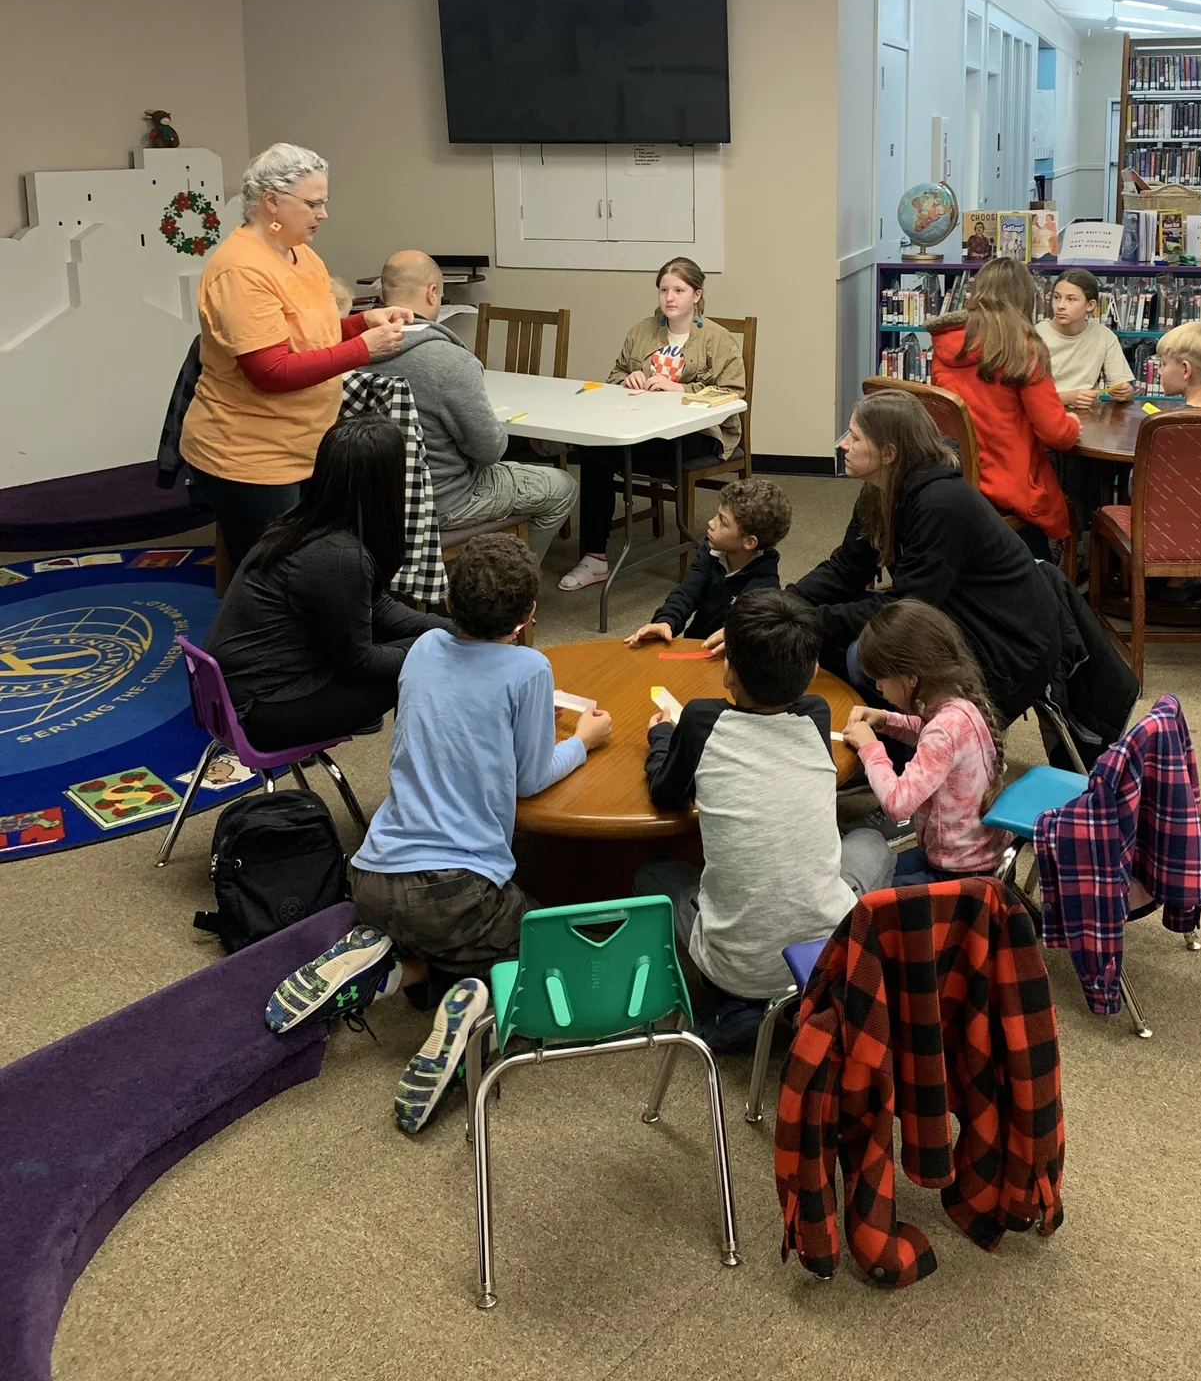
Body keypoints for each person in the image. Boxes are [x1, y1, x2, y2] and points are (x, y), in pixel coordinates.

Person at [264, 534, 611, 1135]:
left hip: (371, 874)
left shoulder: (423, 646)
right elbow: (530, 779)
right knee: (542, 946)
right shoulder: (530, 668)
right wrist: (584, 739)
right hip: (456, 890)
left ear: (448, 600)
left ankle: (389, 966)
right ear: (528, 617)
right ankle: (472, 1009)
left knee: (438, 929)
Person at [636, 589, 895, 1048]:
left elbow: (665, 792)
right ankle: (795, 999)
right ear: (812, 672)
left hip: (734, 972)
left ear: (728, 670)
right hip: (827, 955)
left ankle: (740, 1007)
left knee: (651, 875)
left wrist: (660, 738)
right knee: (872, 845)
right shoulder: (815, 713)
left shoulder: (700, 720)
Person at [707, 392, 1060, 724]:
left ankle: (906, 747)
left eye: (855, 437)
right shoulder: (881, 489)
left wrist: (800, 624)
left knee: (863, 656)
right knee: (829, 638)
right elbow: (846, 568)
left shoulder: (943, 504)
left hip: (1002, 650)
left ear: (889, 453)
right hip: (946, 617)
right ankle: (879, 729)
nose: (843, 444)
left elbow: (908, 607)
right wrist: (780, 608)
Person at [180, 142, 411, 572]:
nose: (323, 214)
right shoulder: (241, 270)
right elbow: (270, 371)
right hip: (250, 456)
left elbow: (311, 337)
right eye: (314, 204)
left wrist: (363, 324)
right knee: (276, 580)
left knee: (309, 573)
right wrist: (362, 350)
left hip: (306, 443)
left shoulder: (301, 255)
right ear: (272, 201)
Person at [206, 415, 448, 750]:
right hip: (260, 712)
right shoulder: (337, 556)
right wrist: (448, 645)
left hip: (236, 694)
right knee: (431, 664)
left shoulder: (302, 524)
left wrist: (453, 627)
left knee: (425, 646)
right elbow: (359, 661)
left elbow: (377, 607)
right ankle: (428, 781)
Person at [372, 249, 577, 562]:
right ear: (432, 293)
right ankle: (508, 587)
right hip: (444, 501)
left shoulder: (355, 355)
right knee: (561, 486)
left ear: (383, 293)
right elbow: (489, 450)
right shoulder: (451, 362)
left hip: (377, 498)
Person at [559, 257, 746, 592]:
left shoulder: (718, 339)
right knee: (592, 453)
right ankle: (595, 557)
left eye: (679, 290)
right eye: (663, 290)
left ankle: (693, 548)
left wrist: (682, 389)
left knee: (623, 451)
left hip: (699, 435)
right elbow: (613, 375)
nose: (669, 297)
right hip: (643, 428)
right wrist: (626, 378)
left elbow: (733, 393)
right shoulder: (642, 331)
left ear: (697, 295)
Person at [842, 598, 1012, 885]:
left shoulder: (944, 730)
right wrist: (884, 719)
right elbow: (926, 732)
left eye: (880, 678)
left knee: (855, 897)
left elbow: (897, 804)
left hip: (958, 874)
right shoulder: (956, 704)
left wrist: (870, 747)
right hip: (969, 857)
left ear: (910, 678)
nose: (878, 686)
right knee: (874, 869)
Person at [929, 258, 1079, 554]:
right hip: (1007, 483)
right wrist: (1072, 422)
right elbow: (1056, 434)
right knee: (1073, 494)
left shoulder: (946, 344)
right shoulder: (1024, 348)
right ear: (1026, 298)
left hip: (953, 474)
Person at [625, 476, 789, 646]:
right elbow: (687, 592)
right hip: (695, 646)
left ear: (749, 542)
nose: (711, 523)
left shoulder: (764, 588)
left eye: (723, 522)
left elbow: (750, 635)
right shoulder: (712, 551)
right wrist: (666, 621)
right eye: (717, 515)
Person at [1038, 268, 1136, 415]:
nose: (1060, 306)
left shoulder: (1104, 336)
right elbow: (1022, 394)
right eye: (1057, 297)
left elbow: (1123, 387)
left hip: (1088, 415)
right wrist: (1067, 398)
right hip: (1045, 413)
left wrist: (1125, 392)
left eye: (1070, 299)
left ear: (1090, 305)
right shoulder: (1035, 335)